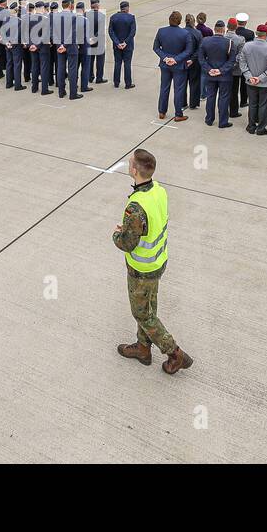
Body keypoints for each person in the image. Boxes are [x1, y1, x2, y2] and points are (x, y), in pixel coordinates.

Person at [113, 148, 193, 376]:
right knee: (149, 308)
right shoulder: (158, 191)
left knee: (142, 314)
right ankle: (143, 349)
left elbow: (127, 243)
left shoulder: (136, 206)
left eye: (130, 164)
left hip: (141, 269)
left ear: (135, 170)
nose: (128, 166)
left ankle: (175, 353)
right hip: (158, 262)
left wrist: (117, 234)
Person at [238, 24, 267, 135]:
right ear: (266, 34)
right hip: (265, 83)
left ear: (257, 33)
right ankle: (261, 128)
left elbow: (242, 63)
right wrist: (261, 78)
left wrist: (250, 77)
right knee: (263, 105)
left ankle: (251, 126)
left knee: (252, 104)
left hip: (250, 81)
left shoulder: (247, 46)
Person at [197, 19, 238, 128]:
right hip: (224, 76)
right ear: (224, 30)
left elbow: (201, 58)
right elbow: (232, 60)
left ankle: (209, 119)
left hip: (210, 75)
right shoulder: (229, 42)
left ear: (215, 30)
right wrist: (221, 70)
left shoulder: (205, 41)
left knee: (210, 97)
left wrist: (209, 69)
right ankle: (223, 122)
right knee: (223, 98)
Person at [153, 11, 191, 122]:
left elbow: (156, 48)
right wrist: (175, 59)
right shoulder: (185, 33)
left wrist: (165, 58)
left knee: (164, 88)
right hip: (178, 66)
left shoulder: (161, 31)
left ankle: (162, 111)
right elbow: (188, 50)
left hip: (165, 65)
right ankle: (178, 114)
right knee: (178, 90)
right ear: (180, 21)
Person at [109, 1, 136, 89]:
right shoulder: (131, 18)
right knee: (127, 63)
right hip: (128, 45)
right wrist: (125, 42)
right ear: (127, 8)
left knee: (117, 62)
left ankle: (116, 82)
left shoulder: (113, 17)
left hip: (117, 46)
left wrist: (117, 43)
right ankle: (128, 84)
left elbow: (111, 32)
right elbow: (132, 32)